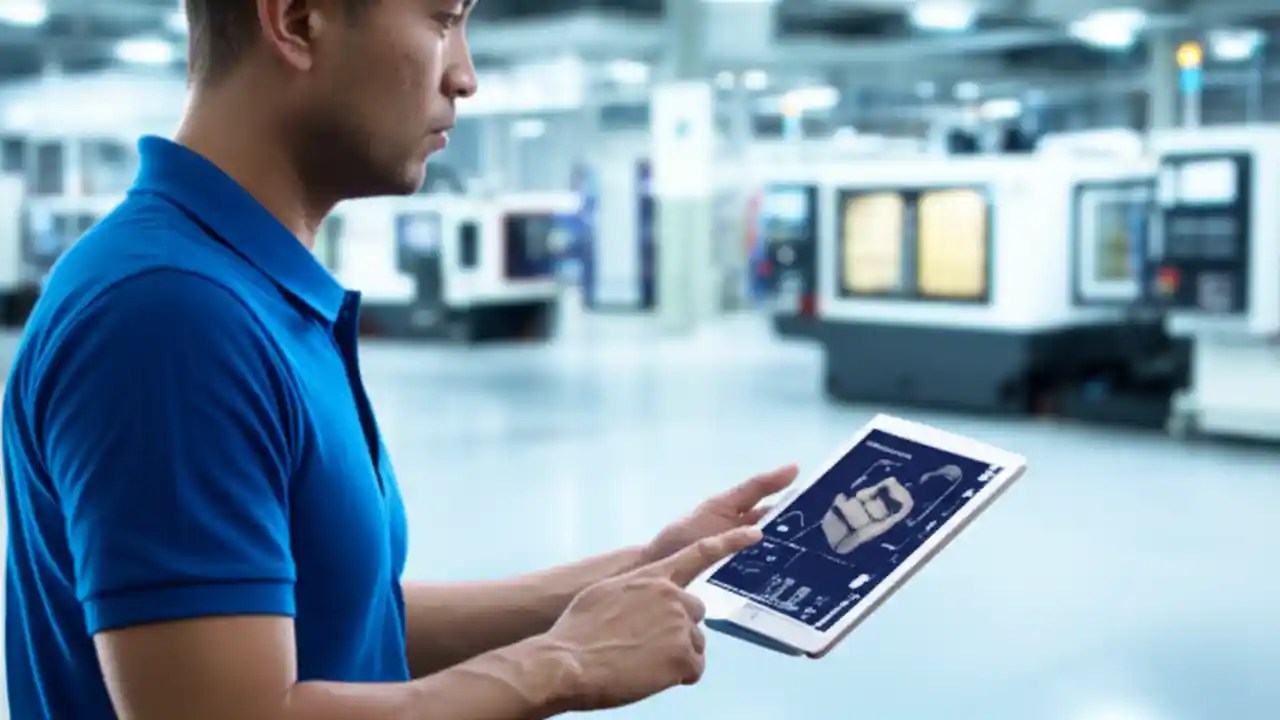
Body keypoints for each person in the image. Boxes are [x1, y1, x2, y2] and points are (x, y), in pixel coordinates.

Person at [0, 0, 799, 718]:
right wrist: (561, 665)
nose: (466, 75)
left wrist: (643, 568)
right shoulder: (171, 315)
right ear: (298, 21)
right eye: (443, 19)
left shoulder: (243, 292)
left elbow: (345, 619)